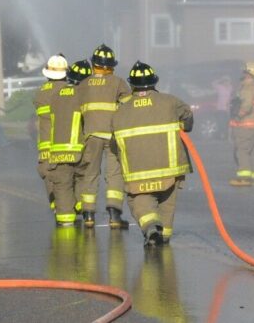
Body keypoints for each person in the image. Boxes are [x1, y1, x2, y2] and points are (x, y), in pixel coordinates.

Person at [111, 61, 193, 247]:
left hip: (137, 173)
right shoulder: (171, 102)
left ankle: (151, 228)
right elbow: (188, 119)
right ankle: (164, 236)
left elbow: (114, 145)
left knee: (141, 203)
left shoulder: (119, 112)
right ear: (154, 82)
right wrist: (182, 125)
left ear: (132, 84)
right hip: (170, 170)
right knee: (167, 204)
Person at [78, 43, 131, 229]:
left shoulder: (83, 84)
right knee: (114, 174)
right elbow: (129, 108)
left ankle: (88, 216)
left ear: (94, 65)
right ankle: (114, 216)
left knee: (90, 173)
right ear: (111, 66)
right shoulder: (118, 82)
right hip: (112, 135)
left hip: (91, 135)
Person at [46, 59, 91, 228]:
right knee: (83, 178)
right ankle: (81, 205)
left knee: (62, 185)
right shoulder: (83, 95)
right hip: (79, 149)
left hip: (57, 151)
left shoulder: (56, 95)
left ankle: (65, 219)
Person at [34, 55, 68, 213]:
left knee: (48, 171)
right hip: (66, 138)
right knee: (68, 170)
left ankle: (55, 204)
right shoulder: (70, 89)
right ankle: (72, 202)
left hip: (46, 141)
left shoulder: (40, 92)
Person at [229, 62, 254, 187]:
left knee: (242, 151)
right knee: (252, 151)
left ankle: (244, 178)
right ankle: (253, 177)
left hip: (244, 125)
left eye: (245, 72)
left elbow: (246, 105)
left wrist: (238, 115)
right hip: (252, 125)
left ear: (249, 74)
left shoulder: (247, 88)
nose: (242, 74)